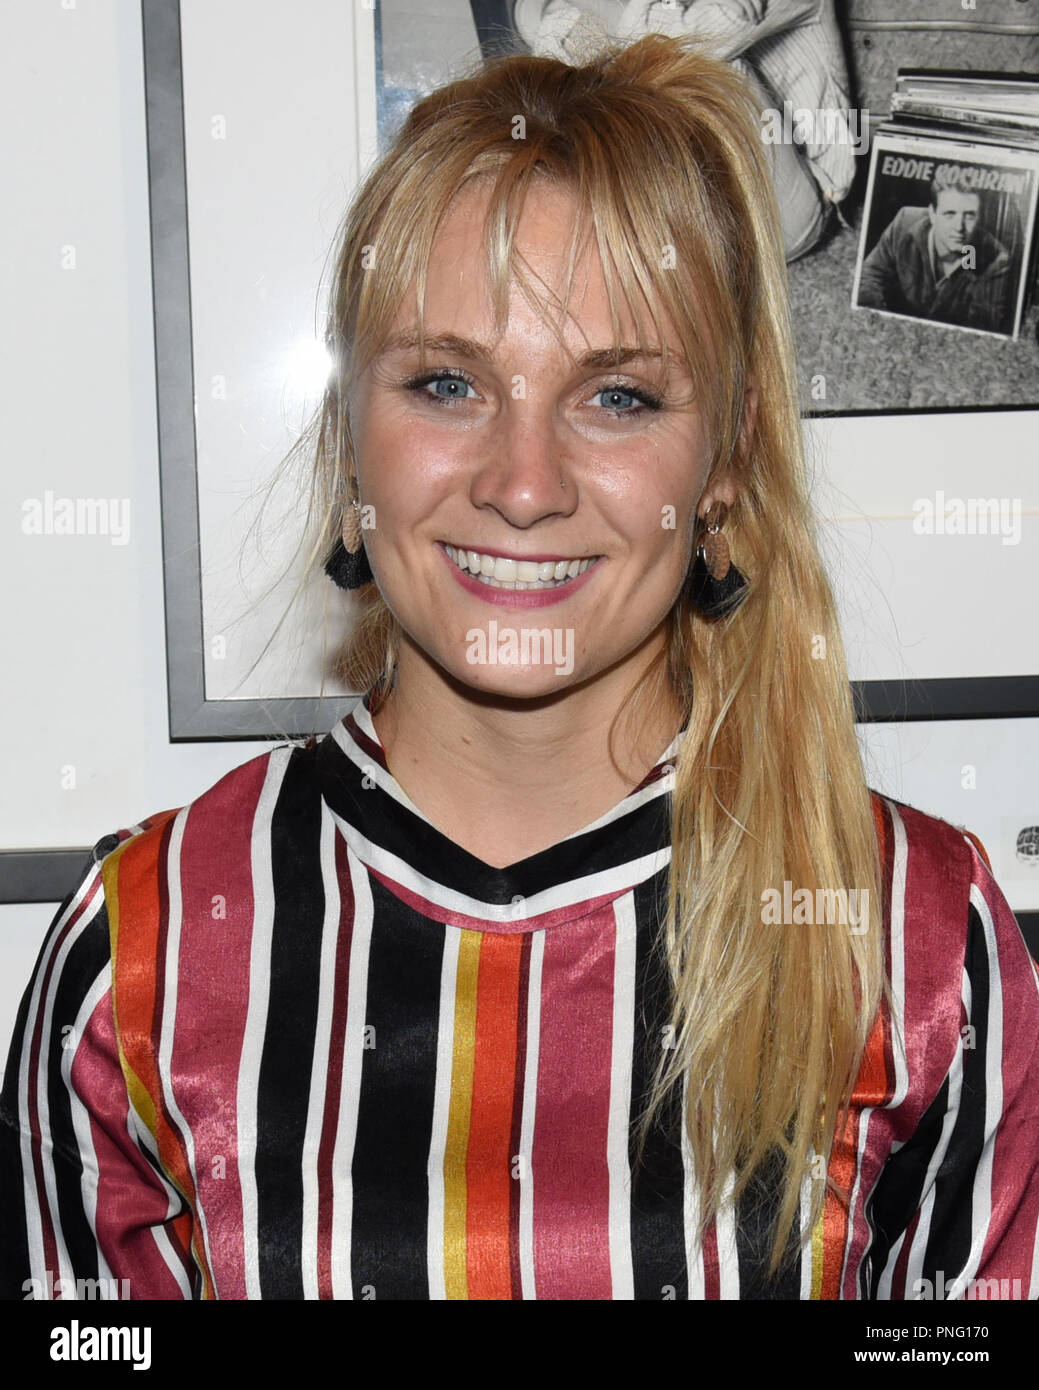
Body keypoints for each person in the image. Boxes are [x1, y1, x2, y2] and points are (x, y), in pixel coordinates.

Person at [3, 33, 1037, 1302]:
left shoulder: (923, 946)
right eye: (447, 383)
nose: (523, 484)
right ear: (352, 448)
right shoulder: (139, 954)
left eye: (617, 399)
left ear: (722, 469)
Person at [509, 0, 861, 261]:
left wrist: (576, 41)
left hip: (792, 211)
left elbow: (687, 45)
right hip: (706, 221)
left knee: (702, 71)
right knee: (554, 22)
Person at [857, 167, 1014, 334]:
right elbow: (869, 277)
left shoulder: (996, 259)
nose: (958, 227)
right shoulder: (905, 223)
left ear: (980, 217)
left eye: (969, 215)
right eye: (949, 214)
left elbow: (983, 328)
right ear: (932, 214)